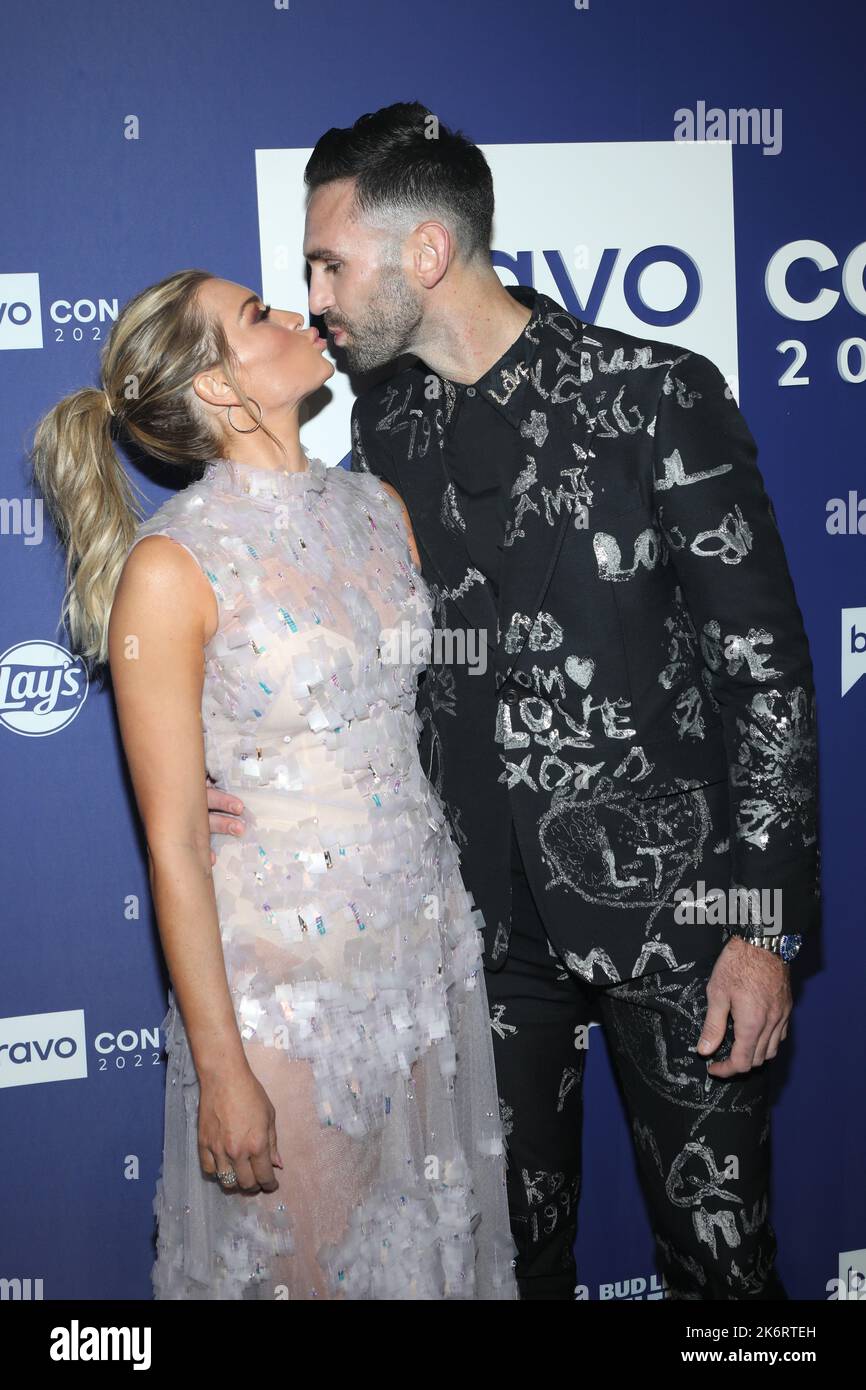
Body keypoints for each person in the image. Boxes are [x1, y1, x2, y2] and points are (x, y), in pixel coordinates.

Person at [206, 102, 821, 1301]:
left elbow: (766, 675)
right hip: (476, 932)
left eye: (329, 261)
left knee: (722, 1268)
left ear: (423, 254)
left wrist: (761, 928)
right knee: (501, 1264)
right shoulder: (384, 422)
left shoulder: (653, 397)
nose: (315, 292)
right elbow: (340, 631)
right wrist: (243, 771)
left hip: (680, 925)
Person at [30, 267, 518, 1300]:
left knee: (434, 1262)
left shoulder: (375, 503)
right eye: (258, 314)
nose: (297, 314)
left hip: (420, 958)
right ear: (216, 387)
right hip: (286, 998)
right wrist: (221, 1069)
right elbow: (172, 843)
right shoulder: (170, 567)